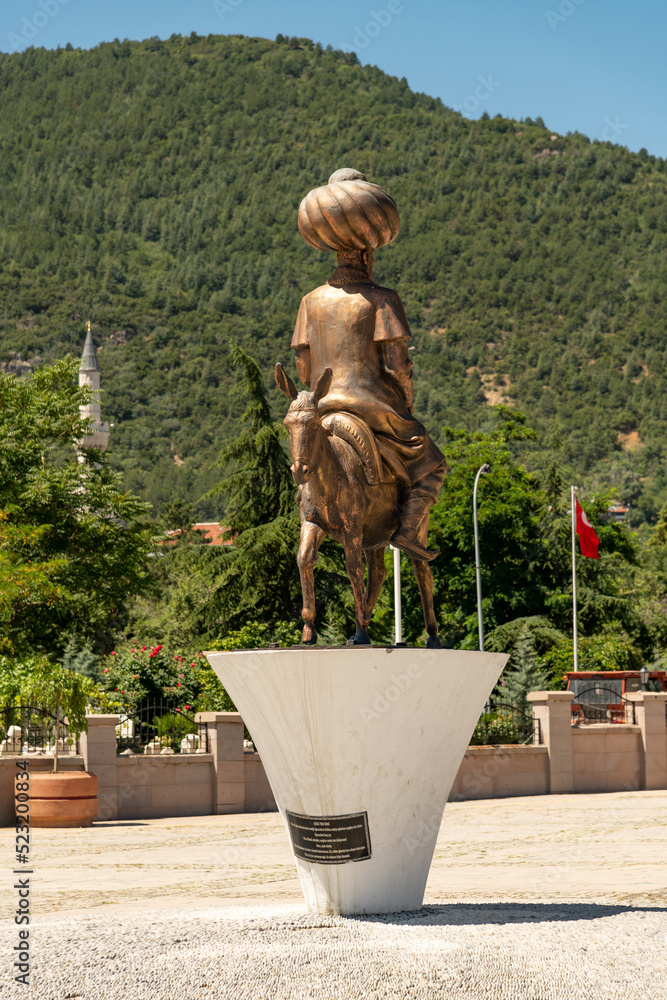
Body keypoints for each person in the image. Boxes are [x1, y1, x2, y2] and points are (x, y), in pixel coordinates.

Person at [291, 168, 446, 561]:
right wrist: (406, 403)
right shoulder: (383, 299)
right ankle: (409, 530)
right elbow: (398, 366)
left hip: (325, 412)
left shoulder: (310, 302)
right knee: (432, 463)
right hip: (375, 412)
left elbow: (304, 371)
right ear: (367, 253)